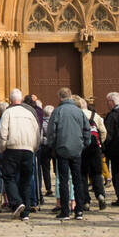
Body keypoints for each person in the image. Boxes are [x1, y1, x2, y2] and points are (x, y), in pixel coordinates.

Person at [44, 87, 90, 220]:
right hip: (77, 150)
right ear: (70, 96)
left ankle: (65, 211)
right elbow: (86, 129)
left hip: (62, 149)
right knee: (78, 180)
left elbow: (51, 131)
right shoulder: (79, 111)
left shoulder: (57, 111)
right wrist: (84, 144)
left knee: (63, 181)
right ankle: (79, 210)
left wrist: (52, 146)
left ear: (60, 97)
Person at [0, 88, 41, 219]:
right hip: (28, 149)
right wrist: (34, 148)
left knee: (9, 176)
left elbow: (3, 132)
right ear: (21, 99)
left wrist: (3, 148)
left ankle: (17, 202)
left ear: (10, 100)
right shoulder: (29, 113)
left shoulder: (8, 112)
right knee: (26, 179)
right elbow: (37, 133)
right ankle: (25, 212)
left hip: (12, 149)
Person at [78, 96, 107, 210]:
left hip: (82, 147)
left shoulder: (77, 115)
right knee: (96, 173)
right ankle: (100, 194)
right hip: (95, 148)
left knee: (83, 175)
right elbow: (103, 131)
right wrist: (100, 143)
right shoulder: (96, 116)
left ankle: (86, 201)